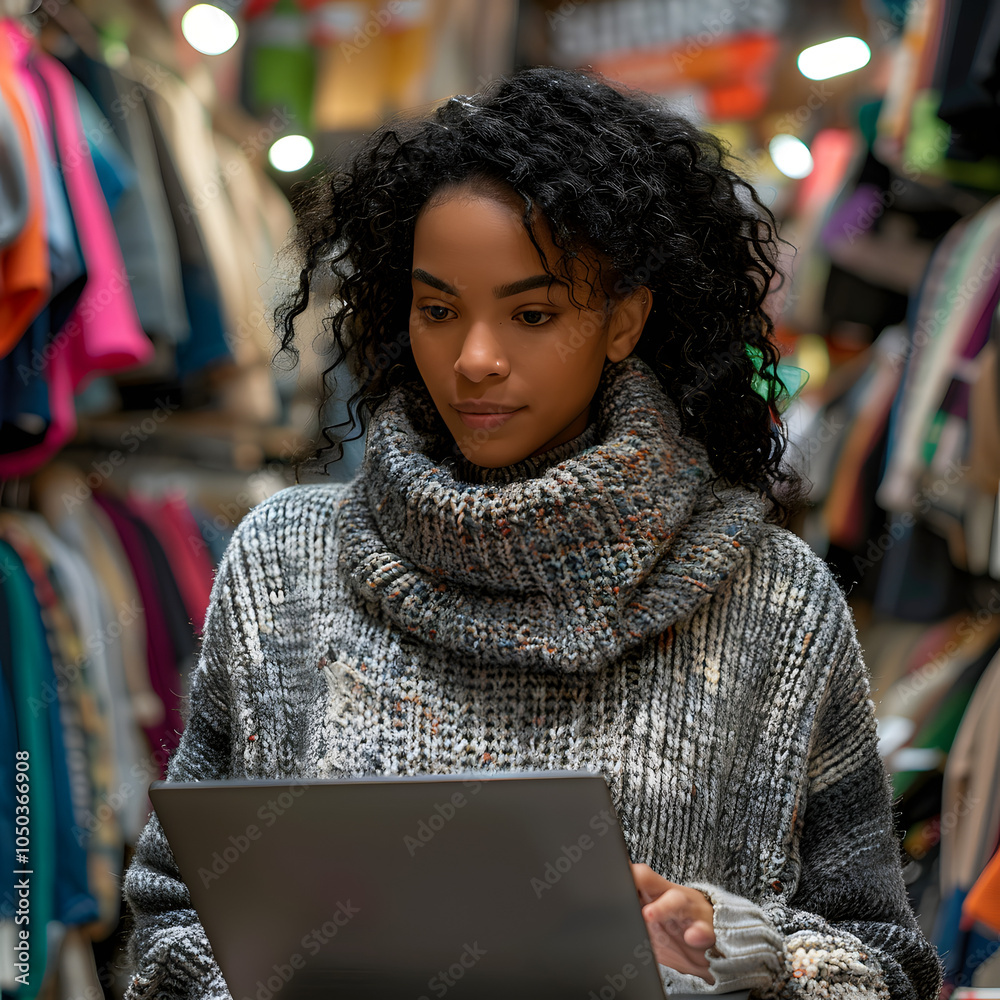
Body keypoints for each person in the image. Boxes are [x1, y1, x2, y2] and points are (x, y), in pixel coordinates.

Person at [121, 66, 944, 1000]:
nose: (475, 357)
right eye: (438, 310)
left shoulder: (774, 599)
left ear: (625, 318)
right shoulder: (283, 563)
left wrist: (738, 946)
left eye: (533, 313)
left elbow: (887, 962)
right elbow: (173, 913)